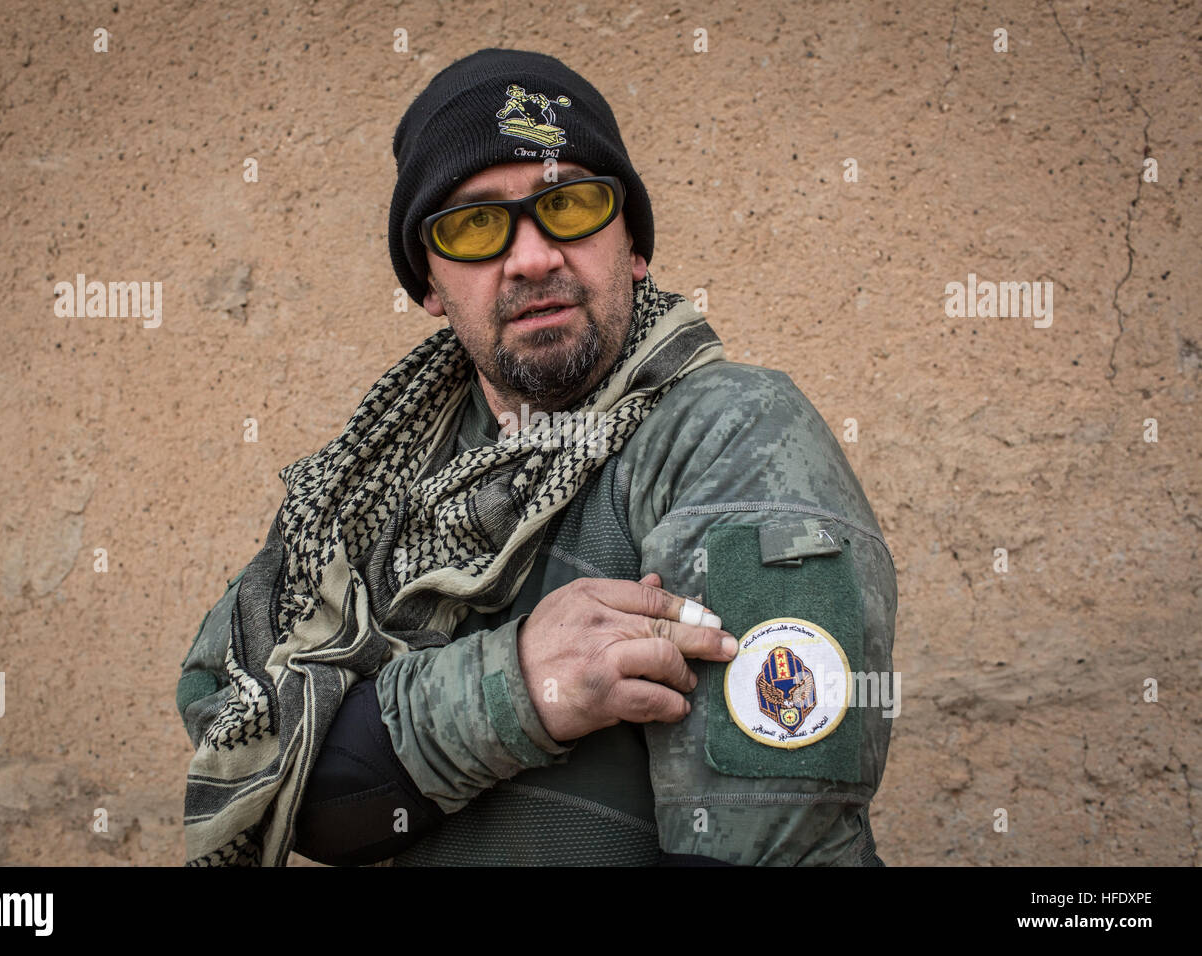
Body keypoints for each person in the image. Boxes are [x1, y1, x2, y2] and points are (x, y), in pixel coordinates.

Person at [177, 48, 898, 867]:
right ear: (428, 286)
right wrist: (516, 686)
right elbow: (290, 793)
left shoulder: (733, 432)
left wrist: (402, 727)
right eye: (474, 224)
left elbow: (767, 843)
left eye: (572, 204)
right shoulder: (363, 490)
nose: (530, 257)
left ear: (633, 244)